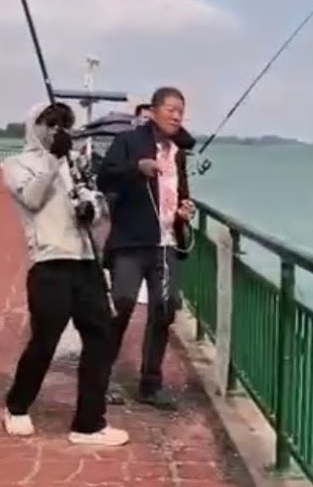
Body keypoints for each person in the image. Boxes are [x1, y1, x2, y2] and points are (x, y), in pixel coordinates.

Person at [0, 101, 129, 446]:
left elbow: (97, 206)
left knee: (101, 338)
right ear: (35, 125)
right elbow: (32, 199)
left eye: (63, 124)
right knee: (45, 341)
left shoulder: (76, 163)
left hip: (85, 260)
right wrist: (54, 160)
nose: (57, 130)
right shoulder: (15, 164)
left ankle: (89, 423)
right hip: (49, 263)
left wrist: (91, 210)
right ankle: (16, 406)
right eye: (50, 123)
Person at [96, 86, 196, 410]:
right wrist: (136, 169)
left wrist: (184, 209)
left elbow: (180, 192)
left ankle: (150, 384)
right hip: (130, 241)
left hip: (166, 243)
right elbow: (104, 178)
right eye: (170, 109)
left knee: (164, 310)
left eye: (181, 111)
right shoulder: (129, 142)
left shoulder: (178, 152)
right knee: (122, 304)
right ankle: (100, 377)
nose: (177, 116)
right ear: (153, 111)